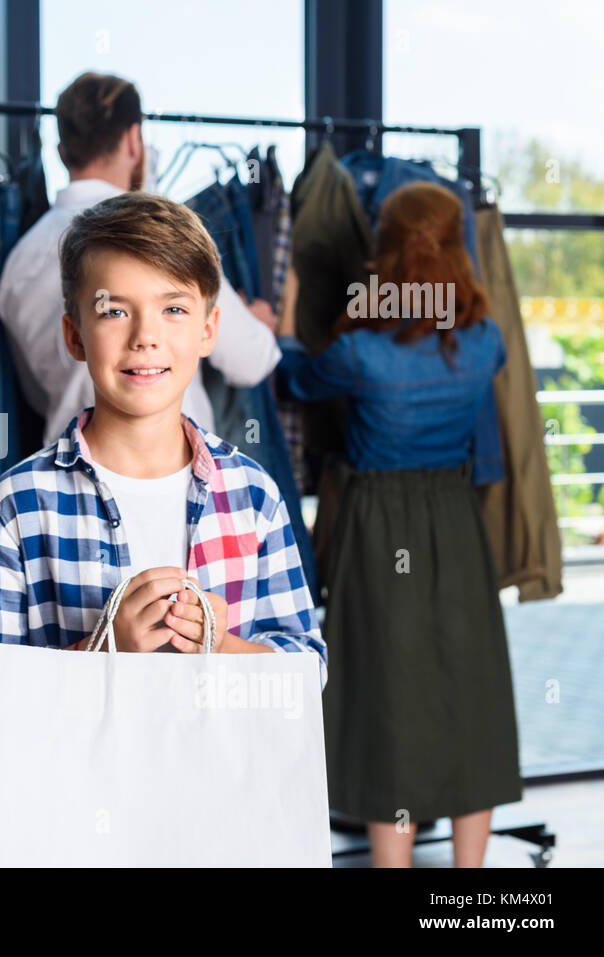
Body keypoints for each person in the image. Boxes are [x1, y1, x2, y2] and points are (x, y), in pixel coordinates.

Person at [0, 191, 326, 728]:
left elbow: (307, 669)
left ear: (207, 331)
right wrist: (103, 648)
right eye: (113, 311)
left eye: (173, 309)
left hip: (218, 802)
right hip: (73, 804)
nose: (145, 337)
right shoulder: (17, 505)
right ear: (75, 335)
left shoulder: (253, 494)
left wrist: (221, 646)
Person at [274, 181, 522, 868]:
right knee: (467, 688)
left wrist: (290, 308)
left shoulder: (360, 353)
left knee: (388, 695)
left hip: (379, 525)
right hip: (453, 519)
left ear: (386, 252)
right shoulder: (485, 342)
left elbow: (295, 377)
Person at [0, 71, 280, 448]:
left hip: (65, 459)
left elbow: (32, 393)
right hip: (177, 461)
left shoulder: (18, 261)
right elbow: (252, 361)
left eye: (172, 310)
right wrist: (258, 323)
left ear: (61, 151)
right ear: (134, 141)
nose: (144, 337)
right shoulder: (164, 243)